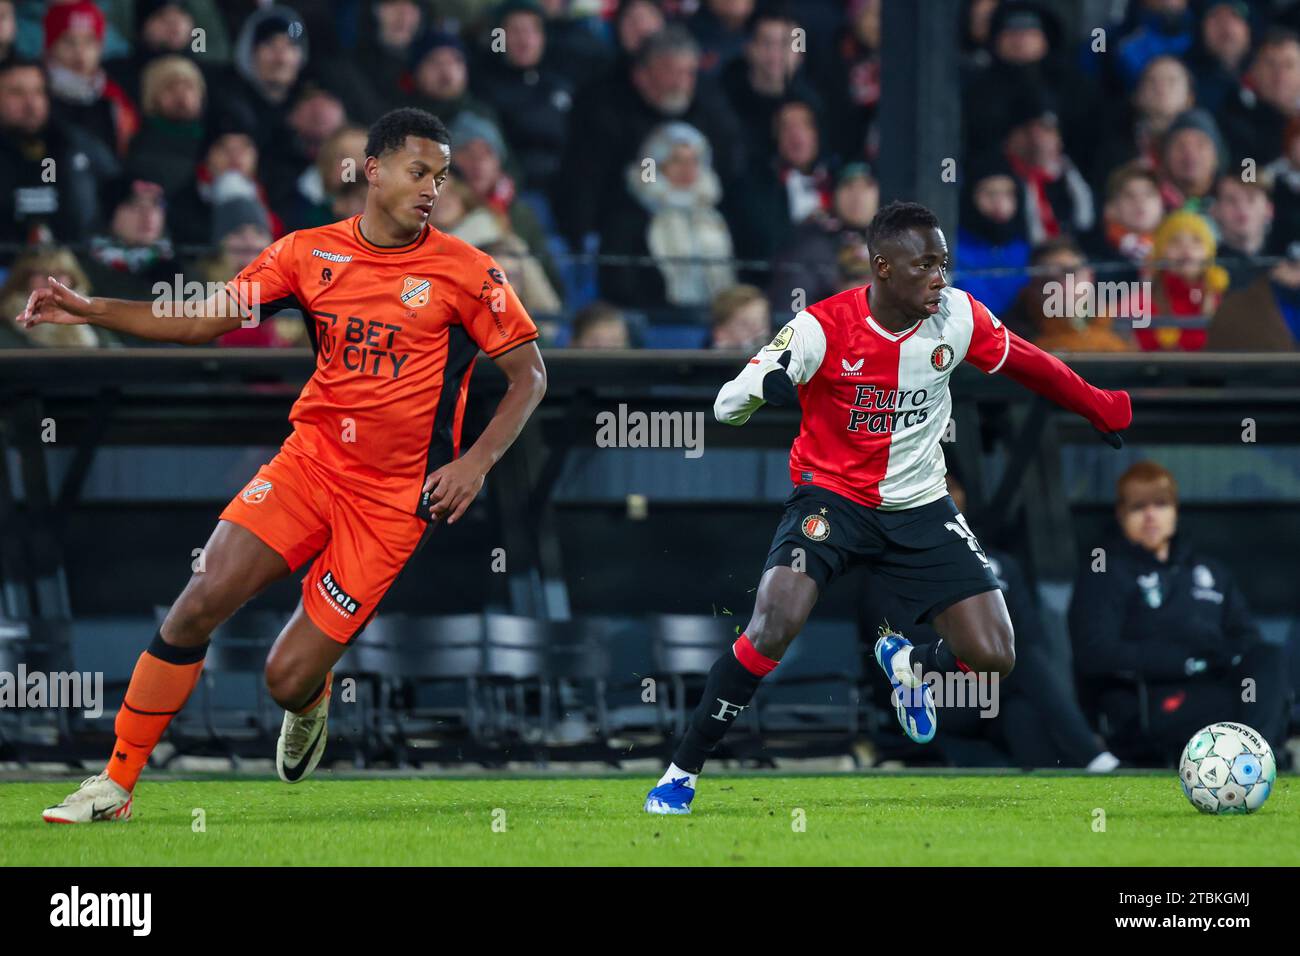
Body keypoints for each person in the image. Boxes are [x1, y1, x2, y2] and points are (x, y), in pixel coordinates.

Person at [21, 108, 548, 824]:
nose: (432, 188)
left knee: (282, 677)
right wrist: (91, 310)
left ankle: (310, 699)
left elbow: (530, 377)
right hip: (310, 465)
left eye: (442, 177)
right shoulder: (306, 253)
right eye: (419, 171)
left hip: (393, 503)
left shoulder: (466, 271)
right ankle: (114, 785)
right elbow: (205, 317)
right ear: (374, 170)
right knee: (198, 600)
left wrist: (478, 462)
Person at [644, 201, 1132, 814]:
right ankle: (681, 771)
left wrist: (1097, 404)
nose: (940, 277)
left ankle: (911, 661)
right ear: (881, 267)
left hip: (922, 502)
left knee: (996, 654)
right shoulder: (821, 328)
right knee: (773, 622)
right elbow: (725, 403)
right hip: (832, 498)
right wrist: (761, 390)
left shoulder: (957, 317)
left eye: (944, 263)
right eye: (925, 264)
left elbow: (1034, 365)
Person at [1069, 461, 1290, 765]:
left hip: (1214, 681)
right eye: (1138, 507)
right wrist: (1183, 661)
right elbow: (1094, 652)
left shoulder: (1209, 570)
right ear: (1121, 514)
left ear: (1174, 510)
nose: (1150, 515)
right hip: (1149, 700)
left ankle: (1253, 760)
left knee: (1269, 657)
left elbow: (1246, 637)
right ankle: (1255, 759)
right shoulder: (1105, 570)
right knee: (1247, 705)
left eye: (1160, 504)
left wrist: (1219, 658)